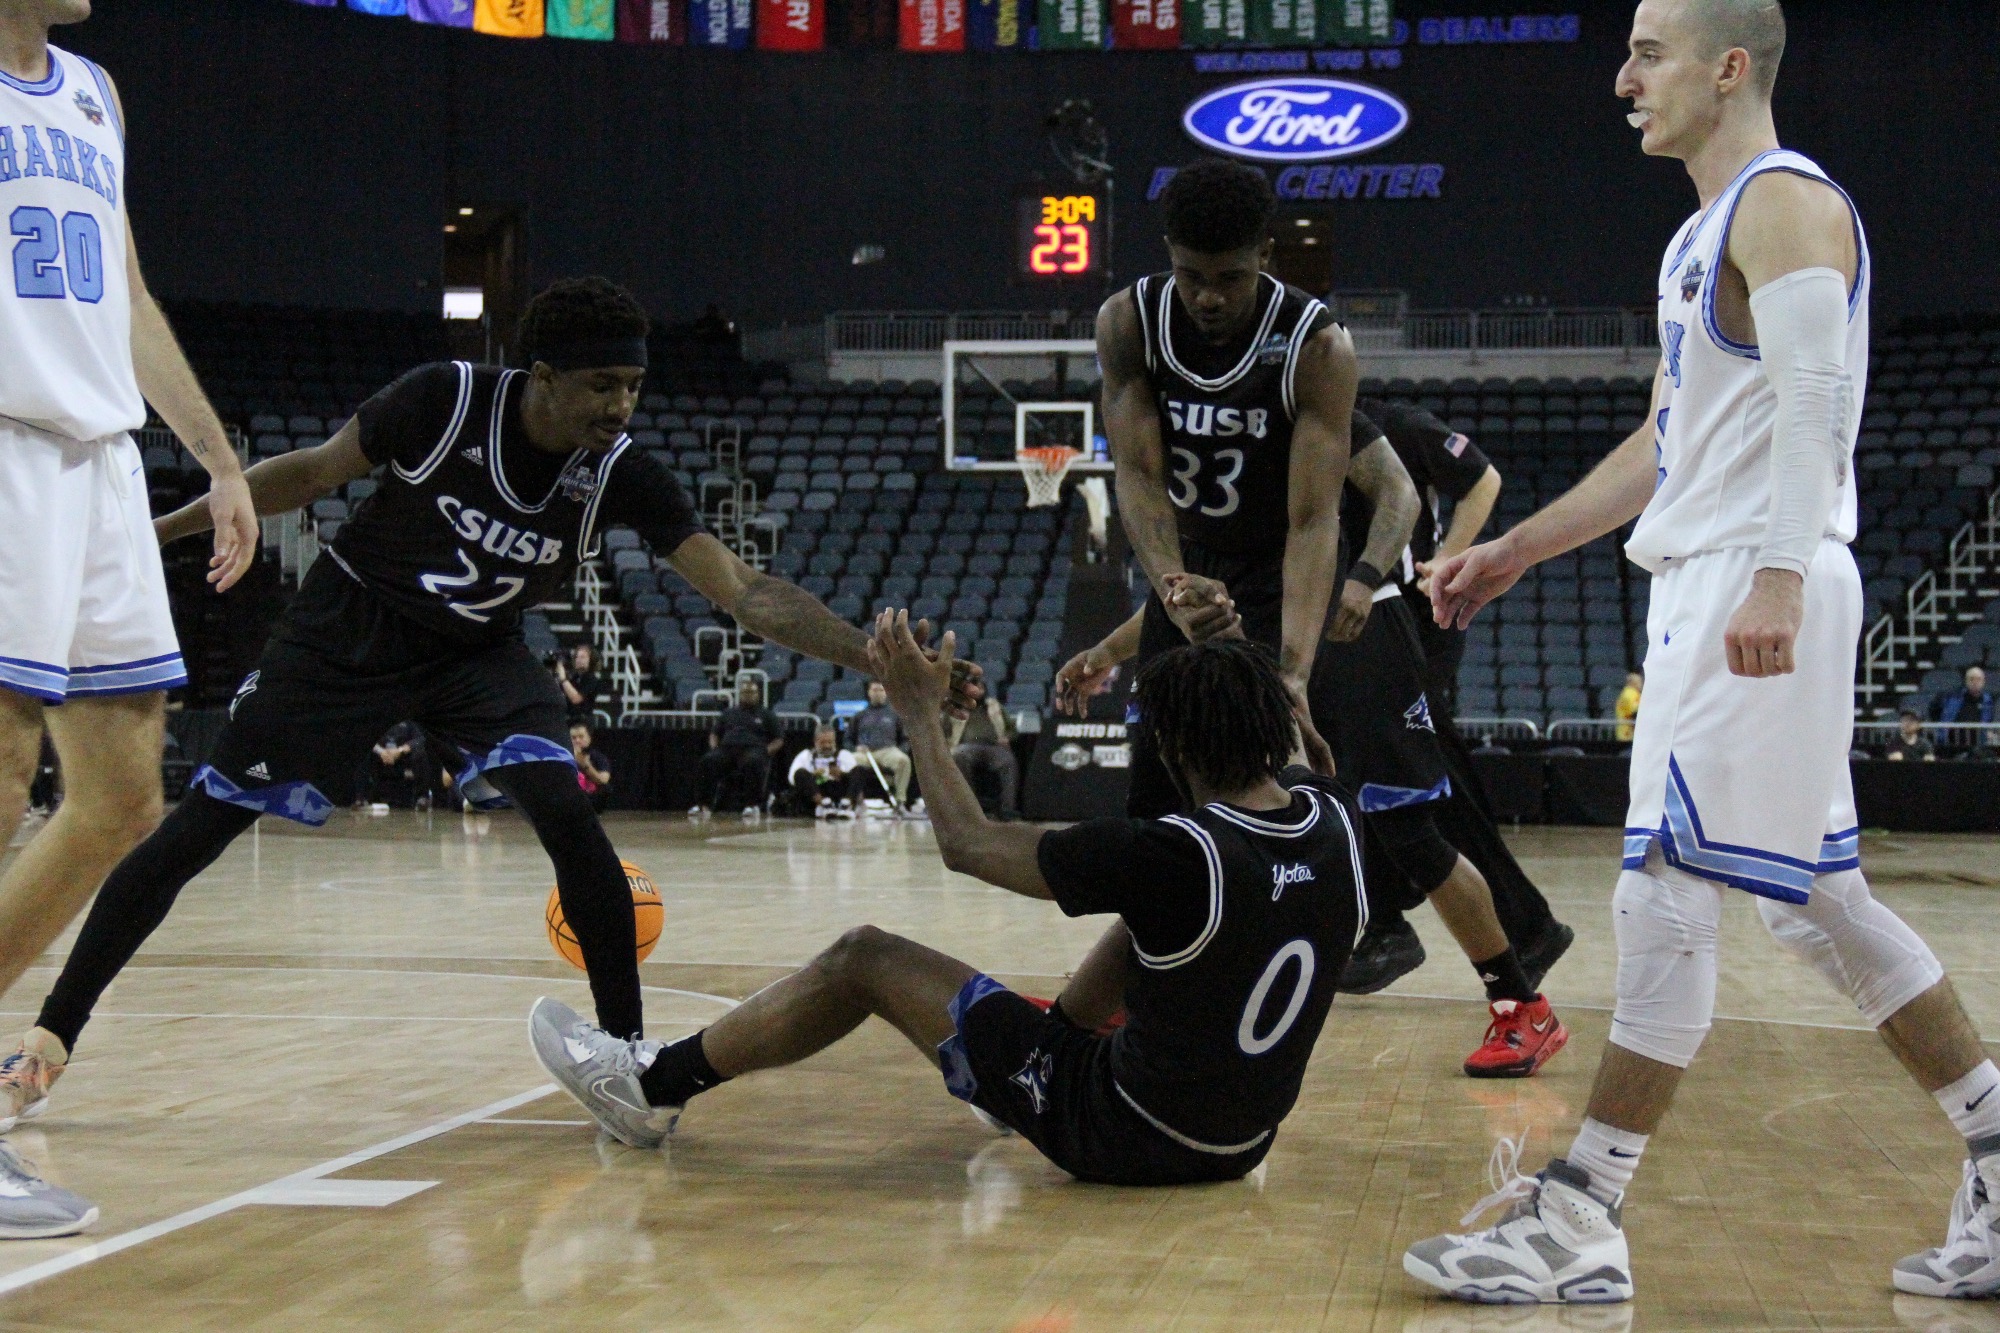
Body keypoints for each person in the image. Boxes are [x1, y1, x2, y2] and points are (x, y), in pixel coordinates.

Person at [0, 279, 980, 1174]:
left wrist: (879, 660)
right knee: (195, 830)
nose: (619, 408)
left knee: (565, 811)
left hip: (474, 653)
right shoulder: (444, 400)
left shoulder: (619, 472)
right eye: (600, 386)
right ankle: (50, 1035)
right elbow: (309, 473)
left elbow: (747, 592)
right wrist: (149, 532)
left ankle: (629, 1069)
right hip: (349, 633)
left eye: (632, 389)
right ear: (539, 377)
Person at [1406, 1, 2000, 1304]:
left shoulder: (1786, 205)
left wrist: (1780, 574)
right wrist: (1519, 550)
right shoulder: (1699, 234)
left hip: (1750, 575)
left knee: (1664, 889)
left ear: (1729, 68)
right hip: (1720, 568)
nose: (1624, 78)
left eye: (1649, 53)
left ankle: (1579, 1213)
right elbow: (1669, 445)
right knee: (1817, 905)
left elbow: (1817, 404)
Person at [527, 618, 1366, 1190]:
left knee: (864, 956)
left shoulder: (1174, 853)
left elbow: (967, 843)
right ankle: (1029, 1059)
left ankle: (649, 1087)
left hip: (1123, 1132)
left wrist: (920, 715)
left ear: (1174, 745)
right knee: (1159, 930)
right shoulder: (1335, 821)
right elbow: (1308, 754)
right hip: (1238, 1141)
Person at [1062, 415, 1571, 1078]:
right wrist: (1104, 650)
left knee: (1411, 832)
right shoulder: (1205, 486)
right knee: (1190, 824)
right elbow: (1181, 597)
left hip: (1359, 635)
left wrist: (1373, 573)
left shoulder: (1308, 400)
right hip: (1281, 644)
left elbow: (1403, 494)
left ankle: (1520, 1004)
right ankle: (1141, 996)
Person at [0, 0, 262, 1239]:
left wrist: (216, 461)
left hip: (100, 457)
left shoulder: (94, 91)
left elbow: (132, 293)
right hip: (1, 444)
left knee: (121, 800)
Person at [1097, 157, 1353, 817]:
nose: (1208, 297)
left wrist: (1292, 670)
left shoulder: (1316, 345)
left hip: (1274, 567)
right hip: (1188, 564)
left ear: (1266, 255)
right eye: (1192, 276)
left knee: (1266, 782)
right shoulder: (1129, 320)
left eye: (1230, 278)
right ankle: (1161, 922)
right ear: (1168, 256)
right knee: (1157, 794)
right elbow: (1139, 474)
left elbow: (1314, 519)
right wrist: (1173, 587)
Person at [1333, 399, 1573, 1002]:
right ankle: (1388, 922)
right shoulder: (1302, 423)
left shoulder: (1393, 424)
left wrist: (1446, 558)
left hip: (1409, 613)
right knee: (1388, 774)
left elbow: (1484, 478)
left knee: (1428, 780)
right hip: (1368, 618)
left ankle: (1521, 928)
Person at [696, 678, 782, 815]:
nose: (748, 695)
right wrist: (714, 748)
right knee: (708, 760)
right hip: (727, 750)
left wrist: (766, 752)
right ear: (740, 694)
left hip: (754, 750)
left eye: (752, 692)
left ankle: (752, 805)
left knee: (753, 762)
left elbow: (778, 739)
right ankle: (703, 805)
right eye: (745, 692)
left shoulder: (767, 715)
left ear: (758, 694)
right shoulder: (729, 713)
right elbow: (714, 734)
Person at [951, 689, 1018, 820]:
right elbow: (944, 729)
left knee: (1008, 761)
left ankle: (1007, 809)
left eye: (979, 688)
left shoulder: (995, 707)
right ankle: (968, 808)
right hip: (966, 746)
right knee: (957, 755)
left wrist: (1007, 737)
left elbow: (1013, 730)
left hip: (994, 746)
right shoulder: (957, 707)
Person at [848, 681, 912, 810]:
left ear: (886, 693)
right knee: (850, 760)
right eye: (874, 690)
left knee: (903, 761)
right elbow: (847, 739)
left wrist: (900, 750)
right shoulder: (859, 716)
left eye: (881, 690)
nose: (877, 693)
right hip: (864, 754)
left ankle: (900, 801)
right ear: (869, 693)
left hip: (888, 751)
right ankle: (854, 801)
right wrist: (854, 748)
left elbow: (905, 740)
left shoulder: (895, 715)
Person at [786, 725, 856, 818]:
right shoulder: (806, 755)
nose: (827, 746)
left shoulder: (844, 755)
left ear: (835, 742)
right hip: (816, 791)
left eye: (830, 742)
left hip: (839, 790)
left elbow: (855, 777)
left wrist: (841, 774)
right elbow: (792, 778)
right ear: (815, 742)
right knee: (800, 772)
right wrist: (813, 775)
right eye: (822, 743)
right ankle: (824, 805)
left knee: (859, 770)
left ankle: (846, 806)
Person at [356, 721, 430, 809]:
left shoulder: (409, 722)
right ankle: (361, 798)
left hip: (402, 758)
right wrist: (381, 752)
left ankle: (422, 798)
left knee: (420, 754)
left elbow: (420, 738)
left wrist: (400, 750)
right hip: (380, 758)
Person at [555, 643, 603, 723]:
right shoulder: (575, 677)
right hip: (569, 718)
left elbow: (576, 699)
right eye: (577, 657)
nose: (578, 660)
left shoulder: (591, 679)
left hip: (583, 720)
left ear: (591, 660)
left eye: (582, 657)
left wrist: (563, 679)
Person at [570, 722, 611, 806]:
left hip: (590, 796)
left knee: (607, 788)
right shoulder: (562, 757)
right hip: (570, 795)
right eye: (573, 738)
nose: (577, 740)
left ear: (589, 738)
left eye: (581, 737)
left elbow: (603, 780)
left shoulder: (598, 757)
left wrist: (586, 765)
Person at [1615, 670, 1644, 742]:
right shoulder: (1629, 694)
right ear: (1633, 683)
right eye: (1640, 682)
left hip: (1629, 731)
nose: (1641, 684)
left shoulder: (1633, 693)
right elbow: (1635, 711)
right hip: (1627, 732)